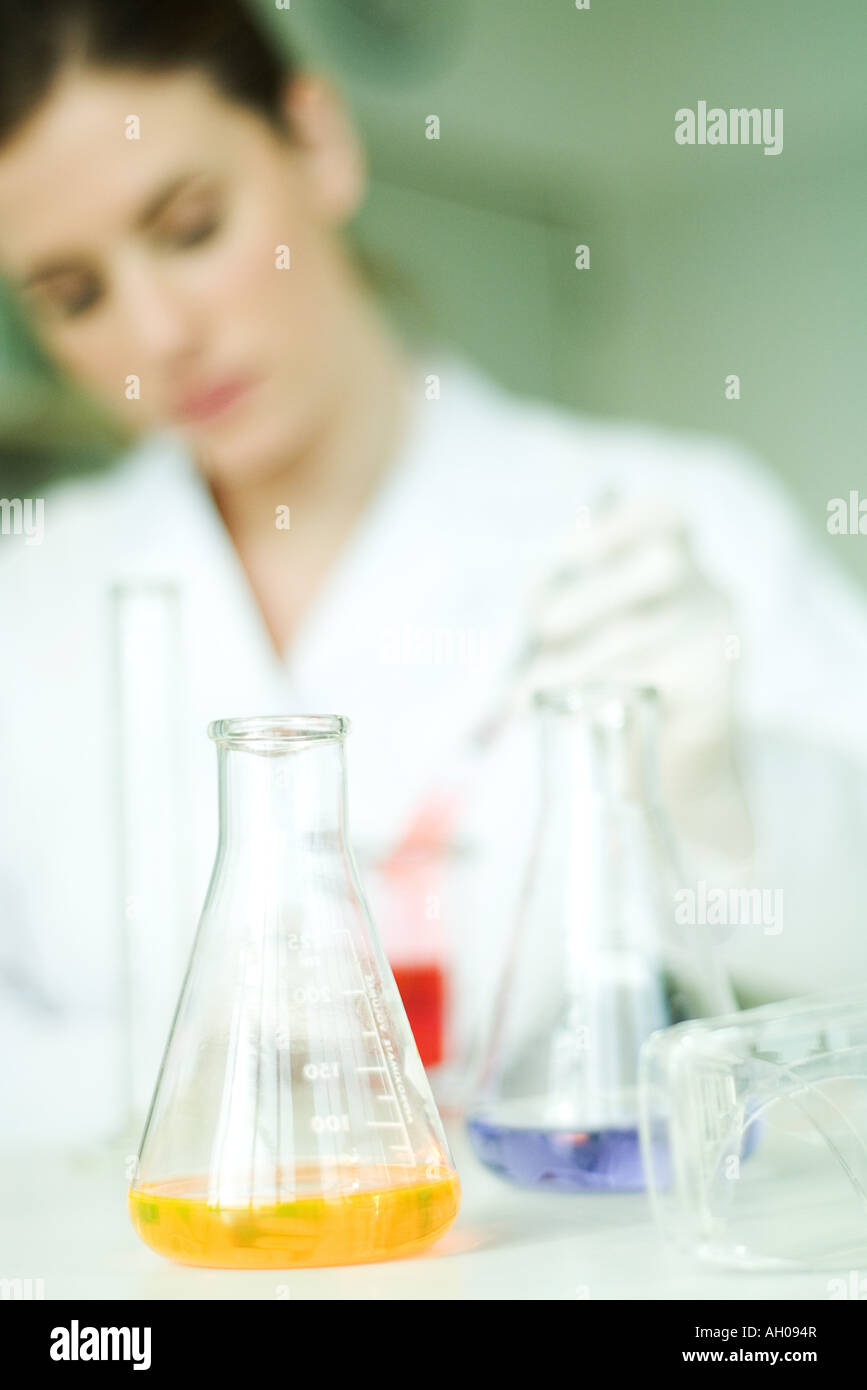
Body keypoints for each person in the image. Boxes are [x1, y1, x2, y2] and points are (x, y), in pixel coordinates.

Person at [1, 0, 866, 1147]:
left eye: (193, 226)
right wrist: (193, 1060)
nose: (158, 333)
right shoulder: (32, 595)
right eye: (75, 295)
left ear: (319, 143)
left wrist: (731, 803)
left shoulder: (663, 519)